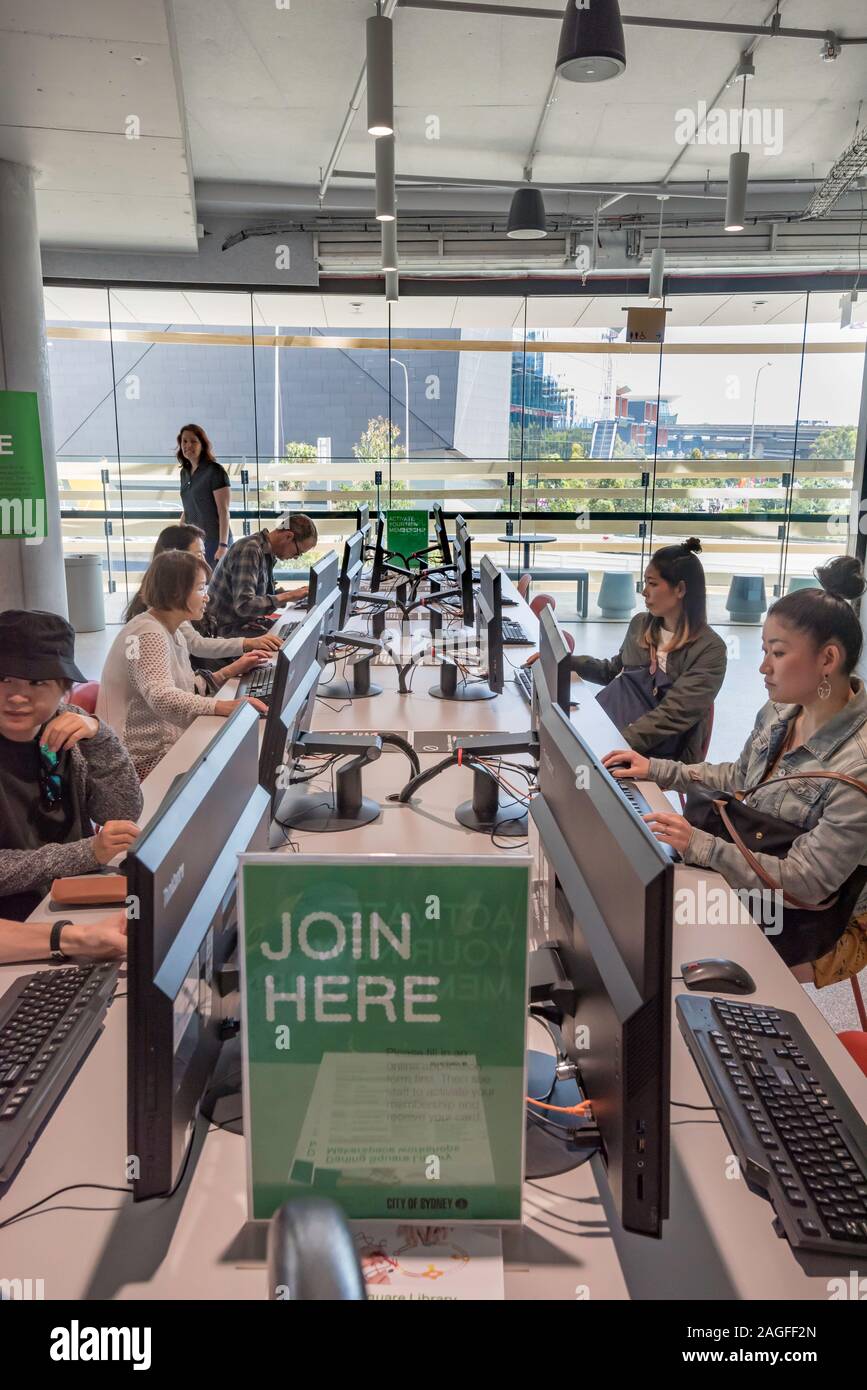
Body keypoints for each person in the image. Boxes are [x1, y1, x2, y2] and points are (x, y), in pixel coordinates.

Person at [602, 556, 867, 979]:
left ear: (828, 659)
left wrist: (702, 848)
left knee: (647, 942)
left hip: (807, 918)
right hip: (750, 863)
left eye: (777, 653)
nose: (763, 666)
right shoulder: (782, 709)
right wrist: (655, 769)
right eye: (764, 650)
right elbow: (742, 777)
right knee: (621, 893)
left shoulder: (858, 766)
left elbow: (807, 883)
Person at [0, 610, 142, 951]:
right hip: (21, 928)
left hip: (75, 903)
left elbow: (121, 811)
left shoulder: (70, 729)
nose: (18, 697)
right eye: (4, 679)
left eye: (37, 682)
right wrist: (87, 852)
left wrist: (99, 736)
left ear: (65, 690)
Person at [97, 550, 268, 779]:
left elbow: (183, 688)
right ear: (176, 592)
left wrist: (230, 671)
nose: (207, 597)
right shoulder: (147, 634)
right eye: (200, 588)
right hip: (139, 762)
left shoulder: (171, 629)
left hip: (163, 749)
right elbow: (162, 696)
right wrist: (221, 707)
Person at [573, 538, 727, 762]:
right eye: (645, 583)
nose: (644, 592)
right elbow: (613, 671)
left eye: (653, 584)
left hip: (654, 751)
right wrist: (566, 661)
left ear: (680, 589)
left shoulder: (710, 649)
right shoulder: (641, 624)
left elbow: (672, 716)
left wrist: (613, 743)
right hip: (613, 728)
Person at [124, 523, 282, 663]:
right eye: (198, 555)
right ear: (175, 558)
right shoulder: (155, 617)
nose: (205, 563)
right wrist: (248, 644)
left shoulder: (168, 597)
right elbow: (196, 645)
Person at [206, 512, 317, 638]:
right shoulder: (250, 550)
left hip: (243, 624)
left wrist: (296, 594)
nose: (296, 558)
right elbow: (244, 606)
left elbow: (259, 596)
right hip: (225, 632)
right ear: (288, 536)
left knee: (296, 635)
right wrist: (288, 596)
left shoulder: (265, 551)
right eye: (298, 552)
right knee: (291, 643)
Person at [177, 423, 232, 567]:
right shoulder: (184, 473)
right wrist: (179, 533)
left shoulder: (215, 471)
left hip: (215, 541)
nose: (188, 445)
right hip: (194, 542)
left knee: (214, 587)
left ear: (202, 445)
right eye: (184, 441)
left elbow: (224, 511)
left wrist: (223, 545)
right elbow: (188, 506)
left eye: (193, 441)